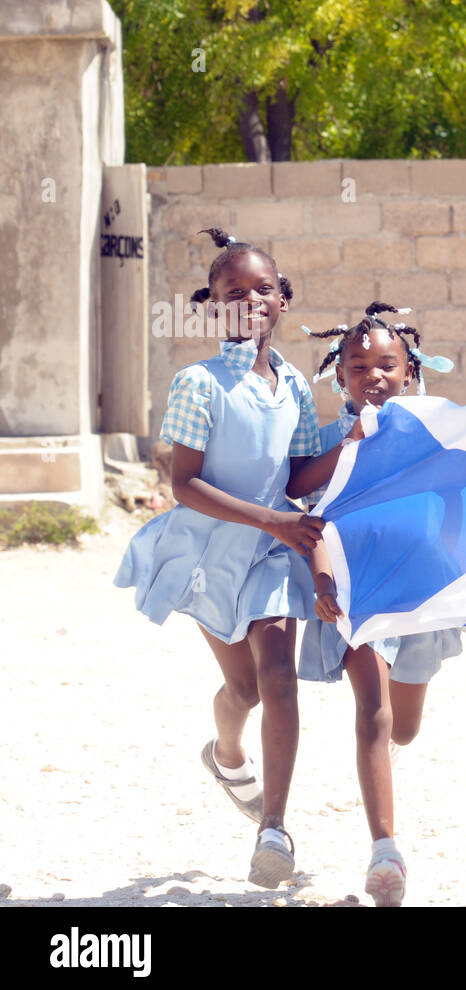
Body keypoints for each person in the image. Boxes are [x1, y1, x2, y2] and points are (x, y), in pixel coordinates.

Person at [115, 227, 321, 889]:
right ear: (213, 306)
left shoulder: (295, 388)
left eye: (264, 288)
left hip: (269, 553)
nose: (251, 300)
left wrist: (363, 441)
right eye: (234, 293)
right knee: (244, 690)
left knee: (279, 681)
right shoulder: (198, 383)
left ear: (283, 299)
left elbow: (297, 475)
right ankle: (227, 753)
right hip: (206, 552)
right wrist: (274, 519)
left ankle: (275, 829)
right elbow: (184, 485)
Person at [289, 302, 459, 907]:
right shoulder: (335, 439)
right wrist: (325, 583)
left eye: (387, 364)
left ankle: (388, 772)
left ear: (410, 373)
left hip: (422, 595)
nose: (373, 376)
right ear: (340, 378)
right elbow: (300, 494)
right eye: (358, 366)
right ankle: (385, 849)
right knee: (374, 711)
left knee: (404, 728)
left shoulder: (434, 433)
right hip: (357, 593)